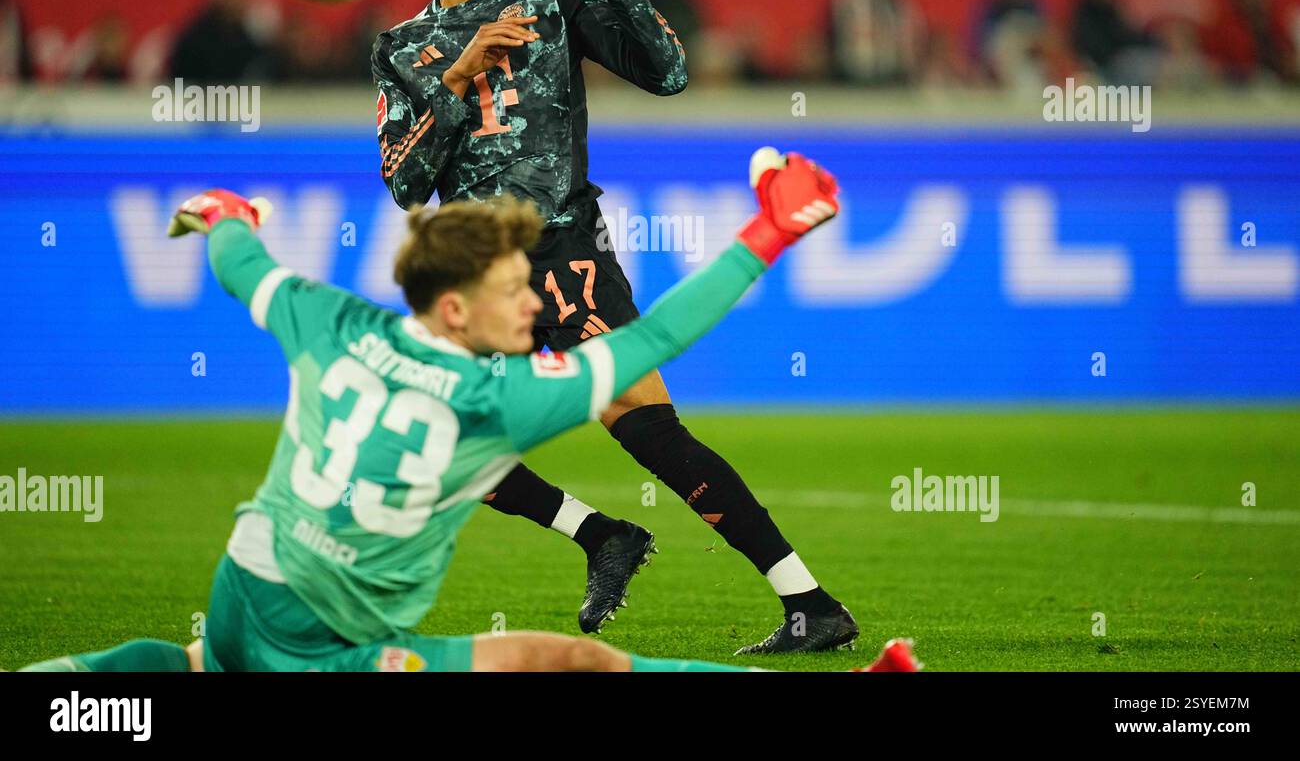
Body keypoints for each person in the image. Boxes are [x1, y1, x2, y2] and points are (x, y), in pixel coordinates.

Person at [19, 151, 917, 673]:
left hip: (242, 592)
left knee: (178, 670)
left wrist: (223, 215)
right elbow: (658, 337)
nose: (535, 307)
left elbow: (241, 262)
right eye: (513, 291)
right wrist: (770, 231)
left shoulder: (325, 319)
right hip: (330, 644)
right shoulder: (504, 399)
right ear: (455, 306)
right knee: (576, 665)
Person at [373, 0, 857, 652]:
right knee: (441, 437)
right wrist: (457, 76)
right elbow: (403, 181)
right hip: (474, 273)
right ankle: (601, 535)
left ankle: (807, 601)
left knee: (644, 423)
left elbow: (668, 72)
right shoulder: (404, 45)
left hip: (563, 243)